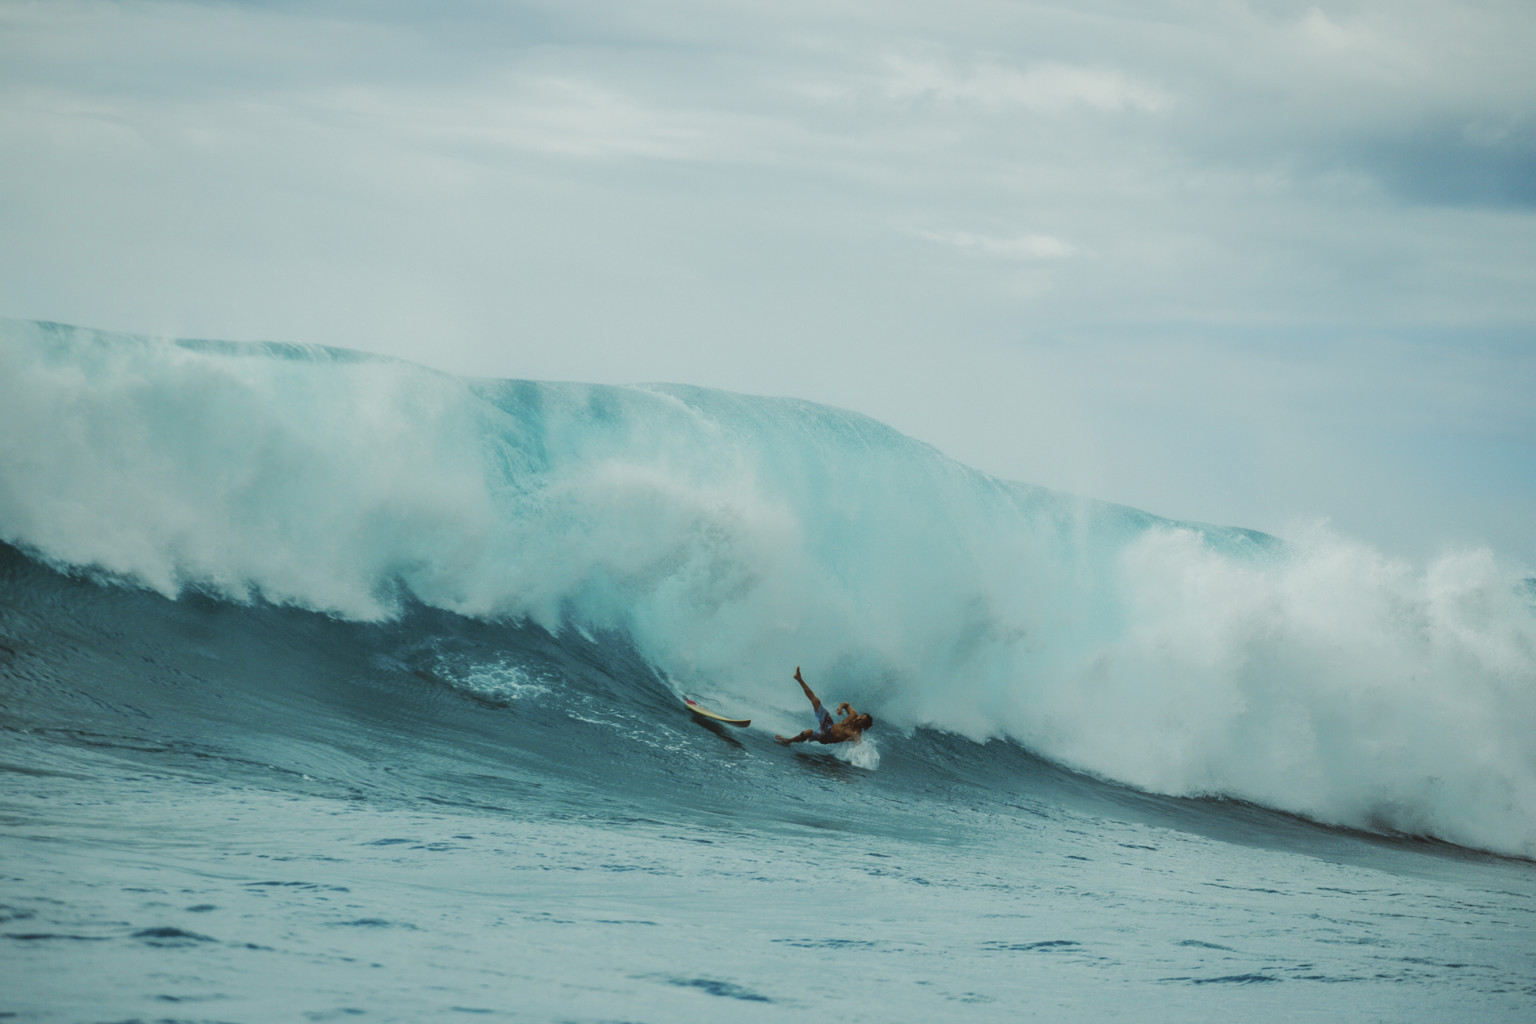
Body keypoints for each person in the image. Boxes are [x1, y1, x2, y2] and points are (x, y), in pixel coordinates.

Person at [775, 666, 873, 745]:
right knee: (816, 701)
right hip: (829, 725)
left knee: (808, 732)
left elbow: (858, 744)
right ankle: (799, 678)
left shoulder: (856, 733)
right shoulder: (854, 715)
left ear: (863, 726)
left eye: (861, 720)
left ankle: (788, 741)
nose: (858, 719)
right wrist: (840, 707)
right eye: (861, 716)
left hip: (826, 737)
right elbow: (846, 704)